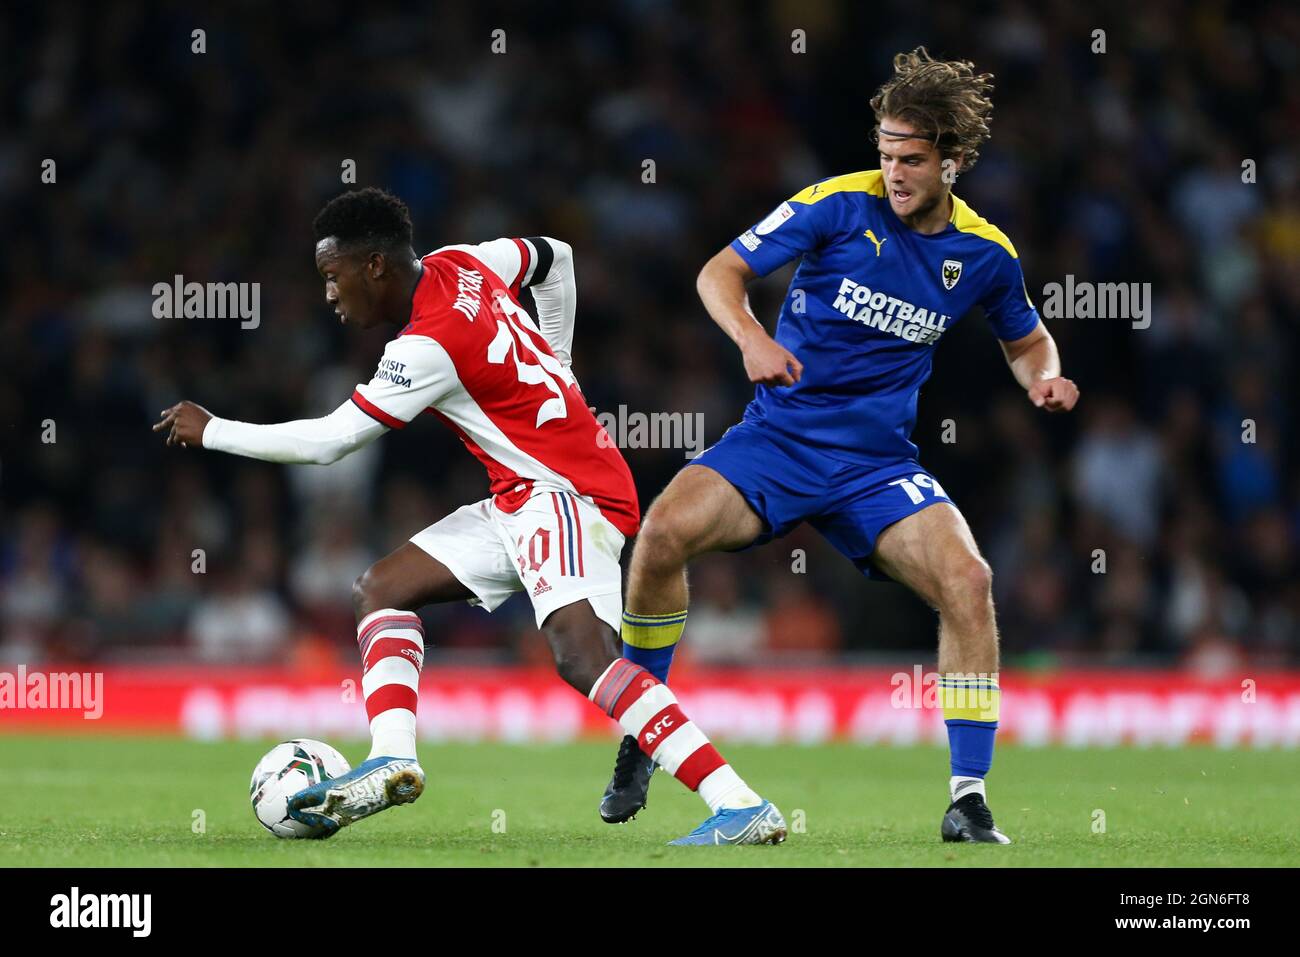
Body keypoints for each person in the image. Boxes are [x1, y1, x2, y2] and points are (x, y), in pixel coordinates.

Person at [154, 187, 786, 845]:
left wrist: (216, 429)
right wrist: (557, 361)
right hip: (523, 493)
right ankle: (393, 755)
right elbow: (555, 257)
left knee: (582, 657)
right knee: (384, 588)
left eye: (333, 276)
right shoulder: (465, 263)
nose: (330, 296)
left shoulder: (425, 345)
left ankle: (738, 802)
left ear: (374, 266)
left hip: (567, 493)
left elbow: (329, 443)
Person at [603, 49, 1079, 843]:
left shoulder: (986, 254)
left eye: (913, 159)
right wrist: (752, 337)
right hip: (780, 439)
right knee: (658, 536)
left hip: (876, 466)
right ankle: (644, 732)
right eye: (886, 154)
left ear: (952, 163)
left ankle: (968, 798)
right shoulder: (834, 203)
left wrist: (1044, 377)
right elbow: (718, 271)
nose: (893, 172)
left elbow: (1027, 340)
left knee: (969, 578)